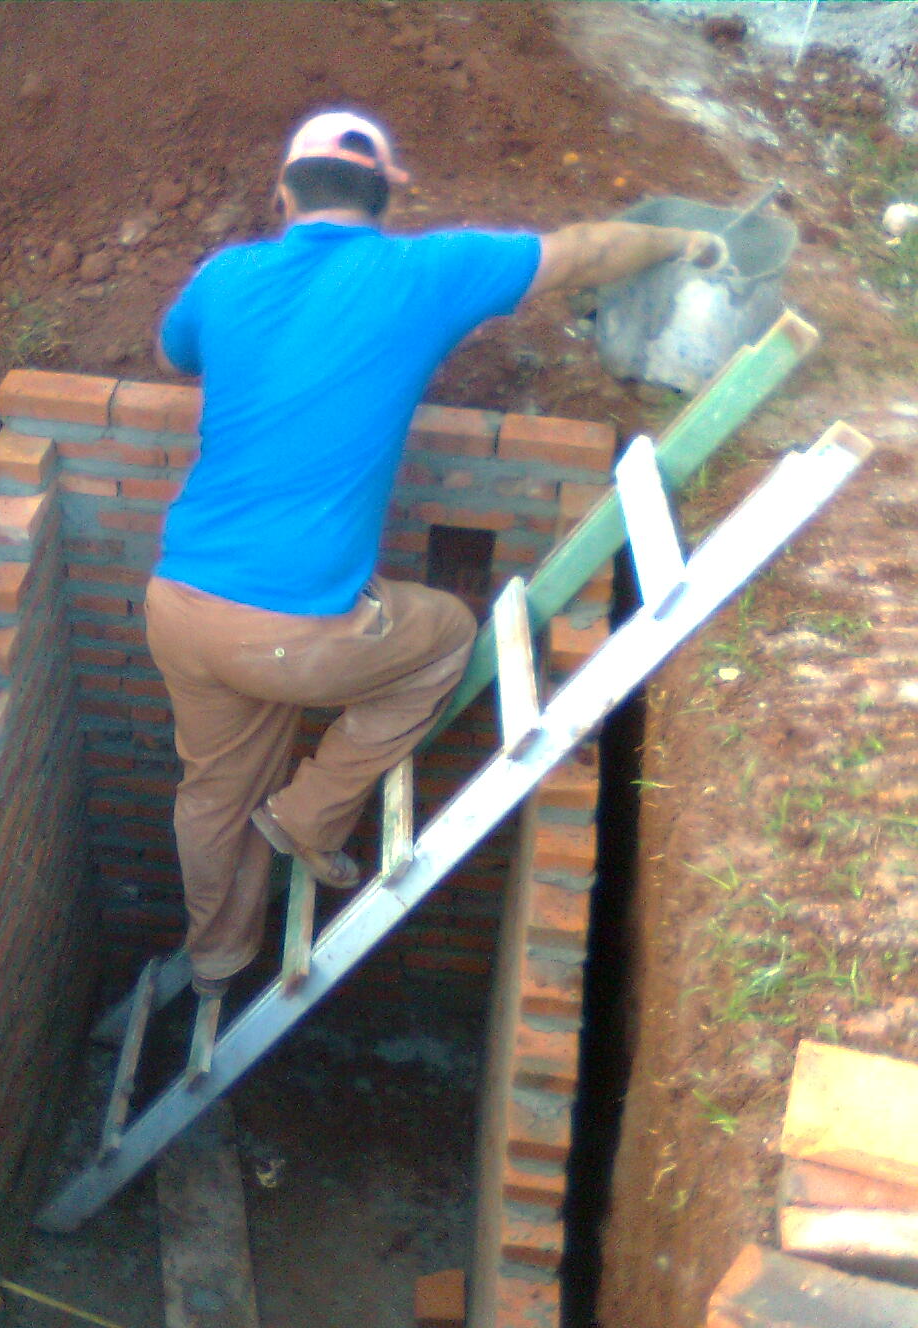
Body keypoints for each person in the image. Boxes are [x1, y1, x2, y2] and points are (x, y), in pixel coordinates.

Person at [147, 109, 726, 998]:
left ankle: (217, 963)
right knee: (450, 634)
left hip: (179, 604)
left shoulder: (228, 276)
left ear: (284, 193)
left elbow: (171, 350)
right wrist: (684, 237)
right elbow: (582, 254)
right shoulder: (425, 269)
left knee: (213, 793)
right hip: (295, 631)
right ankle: (308, 815)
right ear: (390, 196)